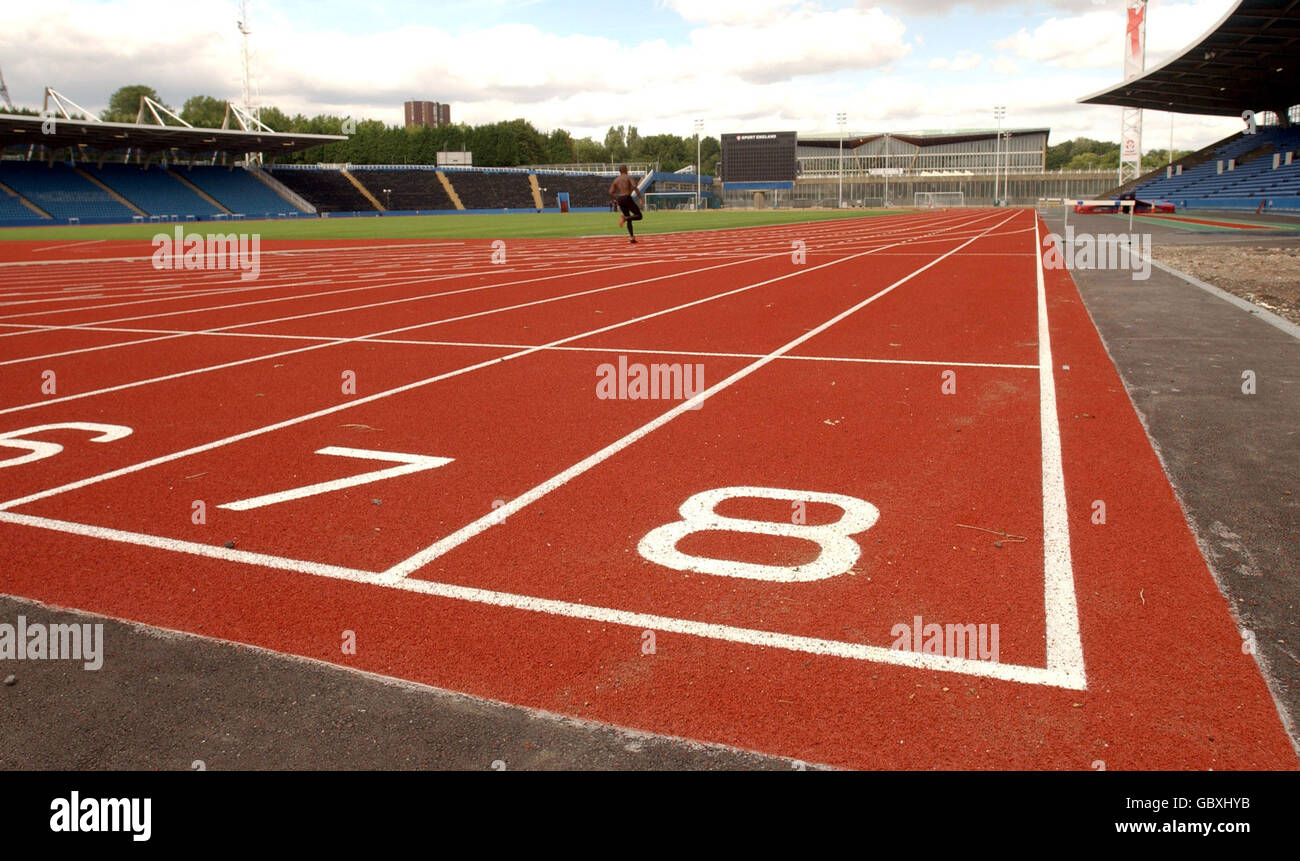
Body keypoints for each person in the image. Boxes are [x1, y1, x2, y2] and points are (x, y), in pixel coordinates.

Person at [609, 165, 643, 243]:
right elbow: (634, 186)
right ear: (625, 170)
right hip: (627, 197)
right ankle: (625, 218)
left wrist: (617, 199)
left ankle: (631, 237)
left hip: (620, 199)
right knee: (639, 216)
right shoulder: (628, 177)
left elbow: (610, 192)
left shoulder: (616, 180)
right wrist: (640, 198)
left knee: (628, 218)